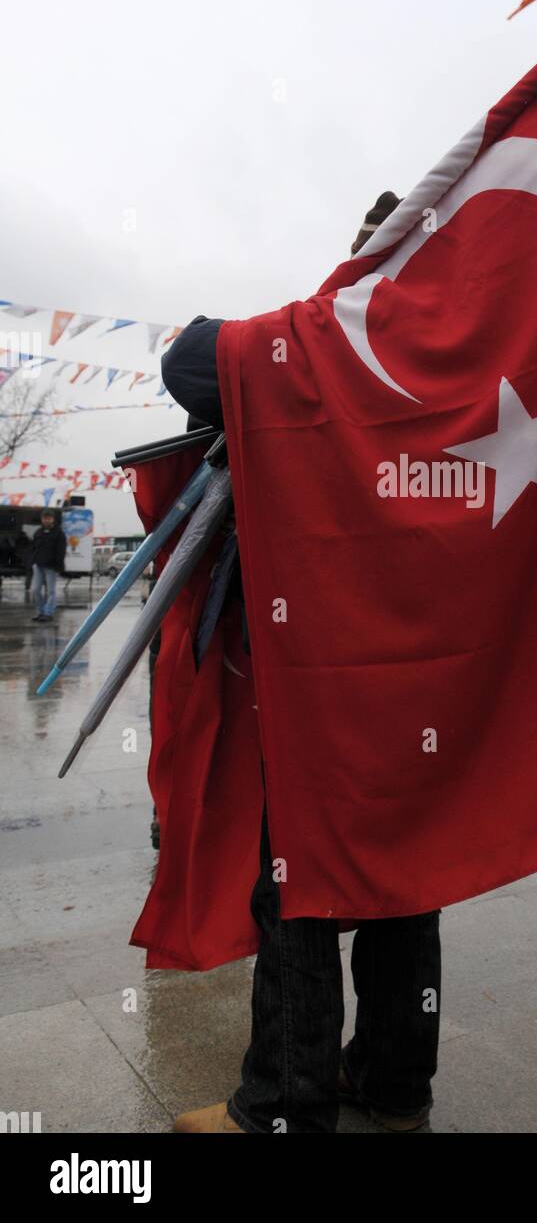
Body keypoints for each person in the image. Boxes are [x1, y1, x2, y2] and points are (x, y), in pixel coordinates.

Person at [164, 193, 441, 1134]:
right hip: (427, 675)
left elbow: (188, 357)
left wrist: (331, 306)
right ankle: (395, 1081)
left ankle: (283, 1103)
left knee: (301, 874)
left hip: (329, 672)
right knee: (407, 875)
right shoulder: (471, 372)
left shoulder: (338, 349)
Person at [30, 508, 66, 622]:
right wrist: (32, 562)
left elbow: (61, 550)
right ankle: (41, 611)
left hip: (51, 567)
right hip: (38, 565)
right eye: (45, 518)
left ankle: (48, 613)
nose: (46, 520)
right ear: (42, 519)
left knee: (51, 591)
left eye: (49, 518)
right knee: (35, 590)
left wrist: (59, 566)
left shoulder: (59, 533)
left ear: (53, 519)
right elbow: (33, 548)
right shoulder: (38, 532)